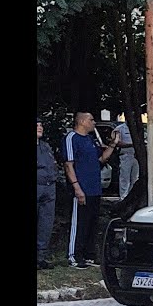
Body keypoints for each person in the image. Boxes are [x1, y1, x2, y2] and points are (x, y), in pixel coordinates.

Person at [62, 111, 118, 268]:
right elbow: (68, 164)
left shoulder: (90, 140)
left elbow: (101, 159)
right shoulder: (72, 138)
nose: (94, 123)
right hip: (81, 187)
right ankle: (74, 255)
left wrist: (113, 144)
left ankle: (89, 255)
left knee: (91, 222)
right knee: (79, 222)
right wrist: (77, 187)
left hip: (95, 188)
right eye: (91, 120)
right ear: (81, 121)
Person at [37, 116, 59, 269]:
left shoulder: (45, 146)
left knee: (46, 222)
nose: (40, 127)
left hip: (49, 186)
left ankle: (40, 257)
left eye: (41, 125)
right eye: (36, 125)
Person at [113, 114, 139, 199]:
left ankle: (131, 197)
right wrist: (133, 144)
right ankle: (123, 197)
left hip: (136, 156)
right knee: (125, 177)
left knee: (135, 178)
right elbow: (117, 142)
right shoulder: (120, 128)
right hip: (125, 155)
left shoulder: (137, 128)